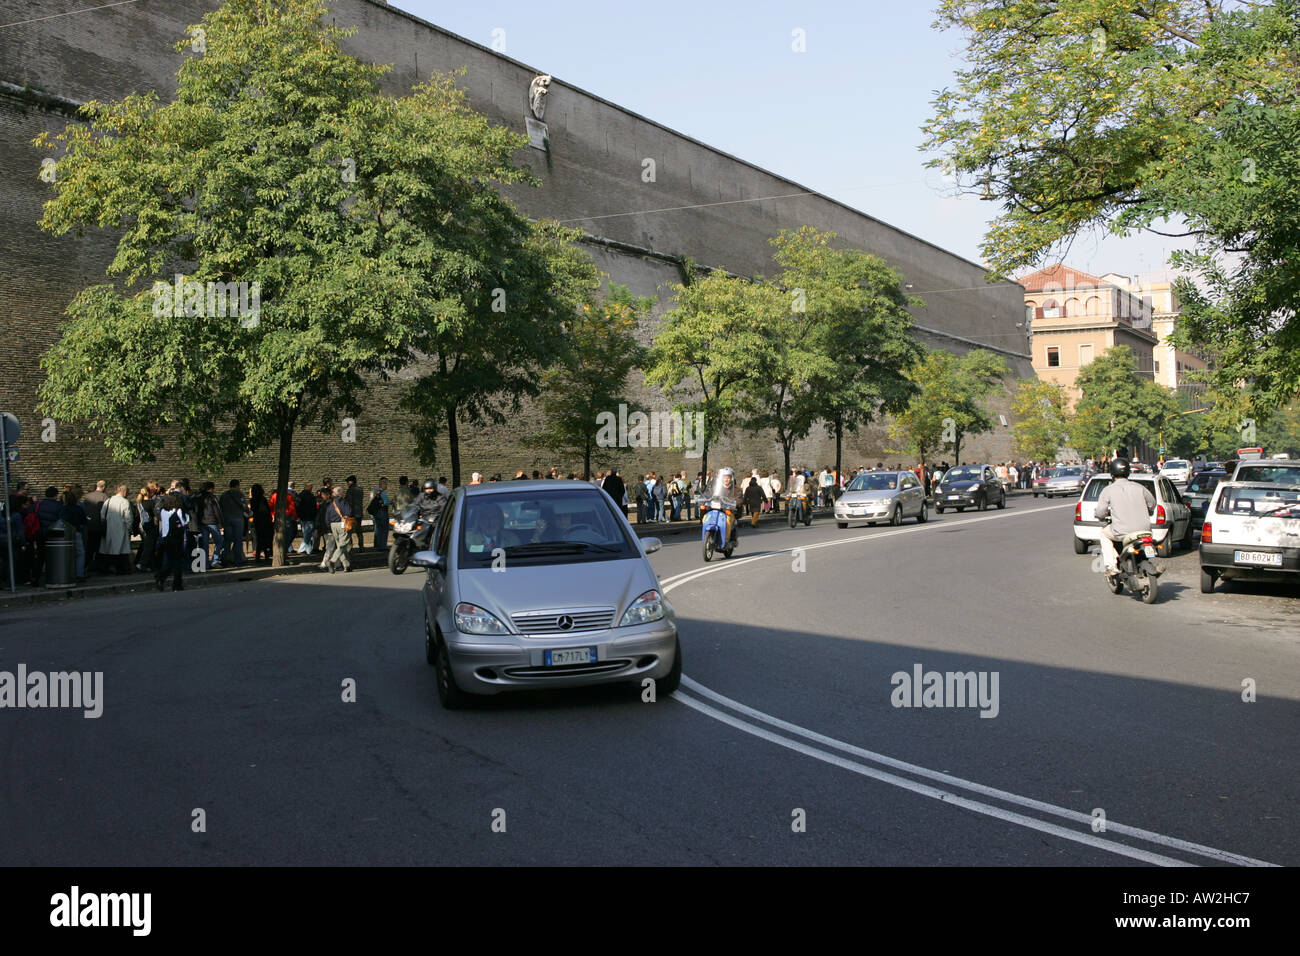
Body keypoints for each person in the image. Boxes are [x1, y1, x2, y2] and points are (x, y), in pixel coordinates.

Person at [1094, 458, 1156, 578]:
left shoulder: (1108, 490)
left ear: (1112, 474)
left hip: (1122, 532)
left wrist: (1099, 517)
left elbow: (1101, 512)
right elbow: (1152, 504)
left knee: (1103, 534)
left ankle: (1111, 567)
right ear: (1128, 472)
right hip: (1145, 530)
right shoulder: (1140, 487)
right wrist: (1149, 511)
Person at [154, 491, 189, 592]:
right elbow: (183, 523)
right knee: (177, 562)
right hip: (176, 538)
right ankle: (176, 584)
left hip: (166, 537)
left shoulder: (163, 511)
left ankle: (162, 577)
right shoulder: (177, 510)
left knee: (171, 561)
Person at [99, 484, 134, 575]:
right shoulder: (125, 502)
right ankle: (121, 569)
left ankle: (107, 568)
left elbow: (102, 515)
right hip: (121, 528)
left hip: (109, 529)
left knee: (109, 549)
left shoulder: (108, 500)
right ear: (124, 492)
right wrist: (129, 528)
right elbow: (128, 517)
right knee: (121, 550)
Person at [219, 479, 249, 566]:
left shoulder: (224, 495)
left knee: (227, 540)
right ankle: (237, 560)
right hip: (238, 519)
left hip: (227, 519)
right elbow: (244, 506)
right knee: (238, 540)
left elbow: (220, 507)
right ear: (237, 485)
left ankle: (225, 559)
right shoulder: (239, 494)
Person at [324, 485, 353, 573]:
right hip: (342, 524)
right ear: (340, 493)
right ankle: (332, 561)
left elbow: (327, 517)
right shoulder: (344, 502)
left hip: (333, 525)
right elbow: (349, 512)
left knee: (340, 545)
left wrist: (329, 525)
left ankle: (346, 565)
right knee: (343, 545)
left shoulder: (331, 504)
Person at [249, 484, 272, 561]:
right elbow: (267, 510)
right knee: (265, 538)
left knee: (259, 538)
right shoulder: (263, 499)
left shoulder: (252, 500)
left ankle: (258, 555)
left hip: (257, 520)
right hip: (265, 520)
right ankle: (265, 554)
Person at [369, 479, 390, 552]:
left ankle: (376, 545)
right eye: (386, 484)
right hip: (382, 512)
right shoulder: (382, 492)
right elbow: (386, 502)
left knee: (377, 529)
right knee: (384, 529)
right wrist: (389, 502)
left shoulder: (374, 492)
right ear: (382, 485)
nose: (386, 486)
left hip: (375, 513)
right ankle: (383, 546)